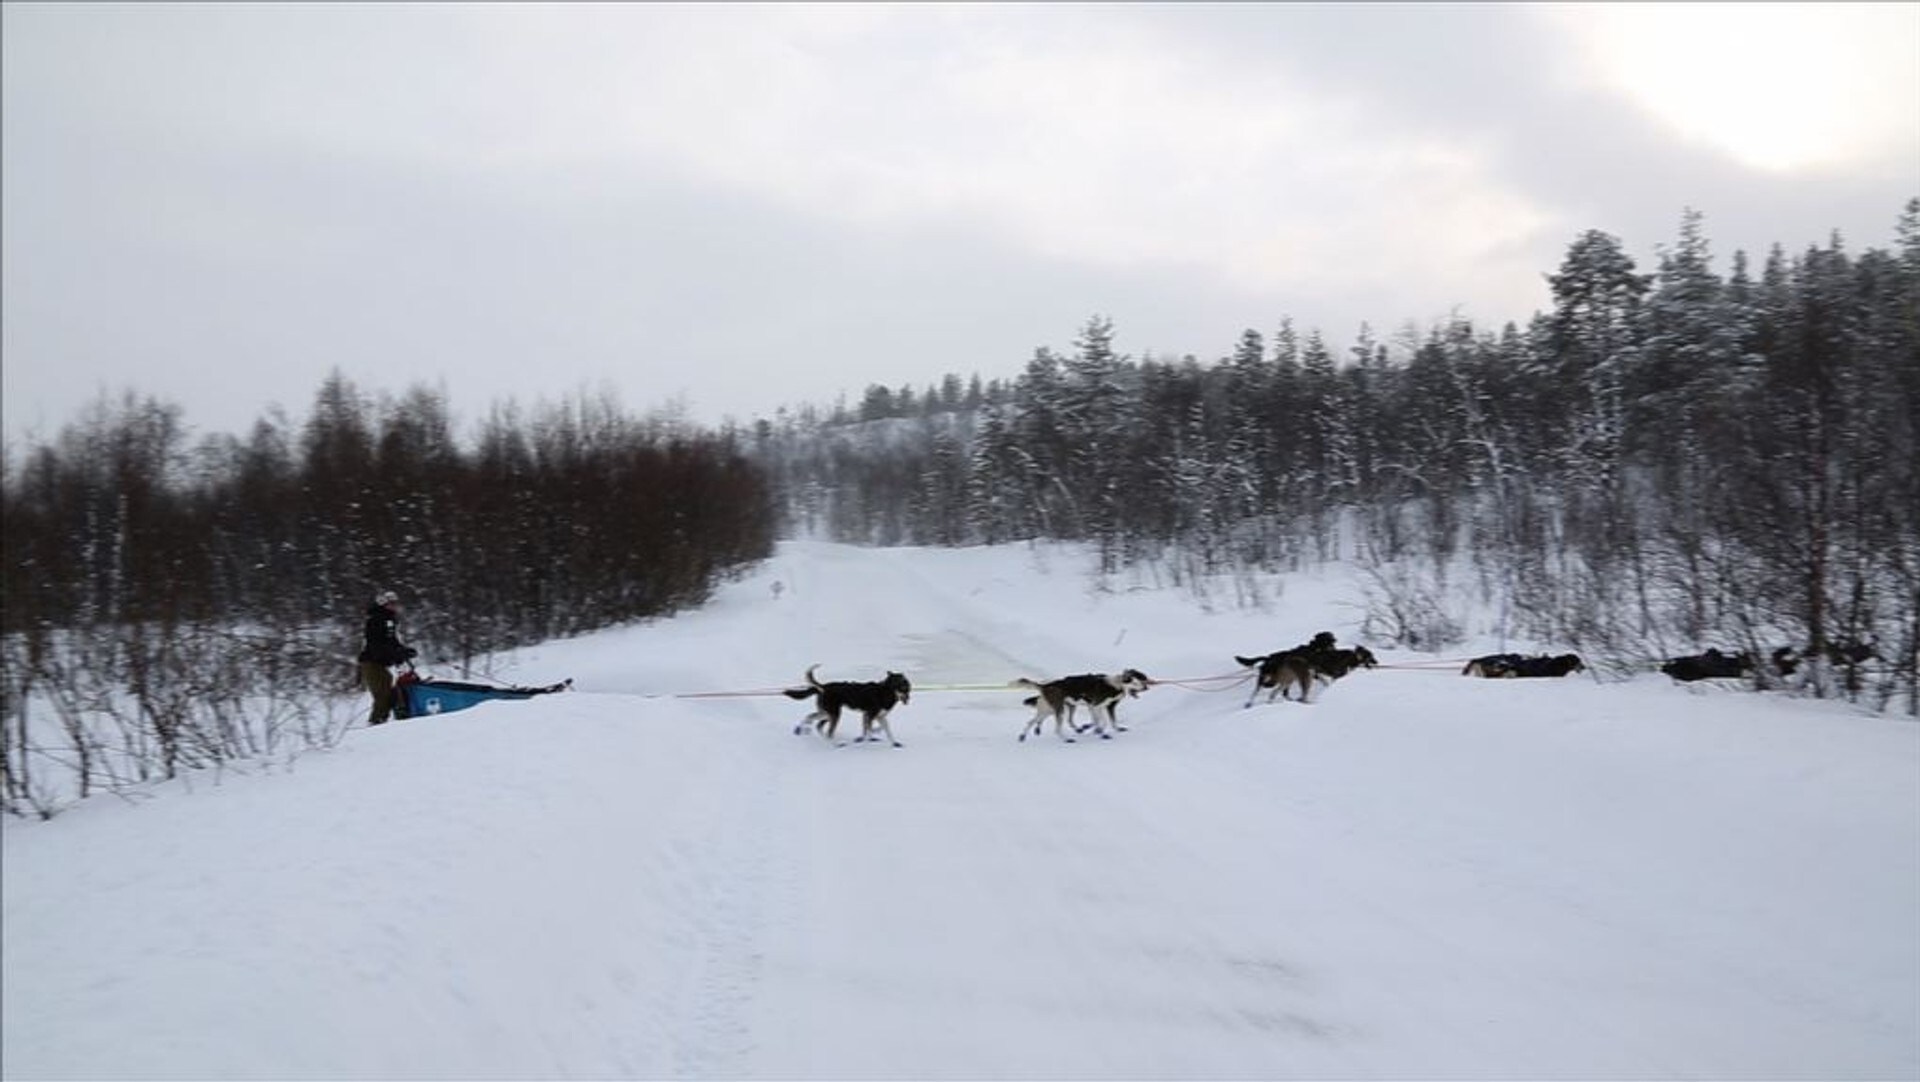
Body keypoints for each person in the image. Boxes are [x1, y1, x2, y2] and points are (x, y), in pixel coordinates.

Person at [358, 590, 417, 726]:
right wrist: (394, 654)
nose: (394, 606)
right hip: (371, 662)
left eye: (395, 603)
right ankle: (376, 722)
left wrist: (402, 651)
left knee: (391, 689)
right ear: (383, 604)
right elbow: (376, 644)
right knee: (383, 694)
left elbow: (391, 640)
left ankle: (391, 717)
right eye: (391, 603)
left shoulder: (389, 620)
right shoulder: (376, 620)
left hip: (379, 662)